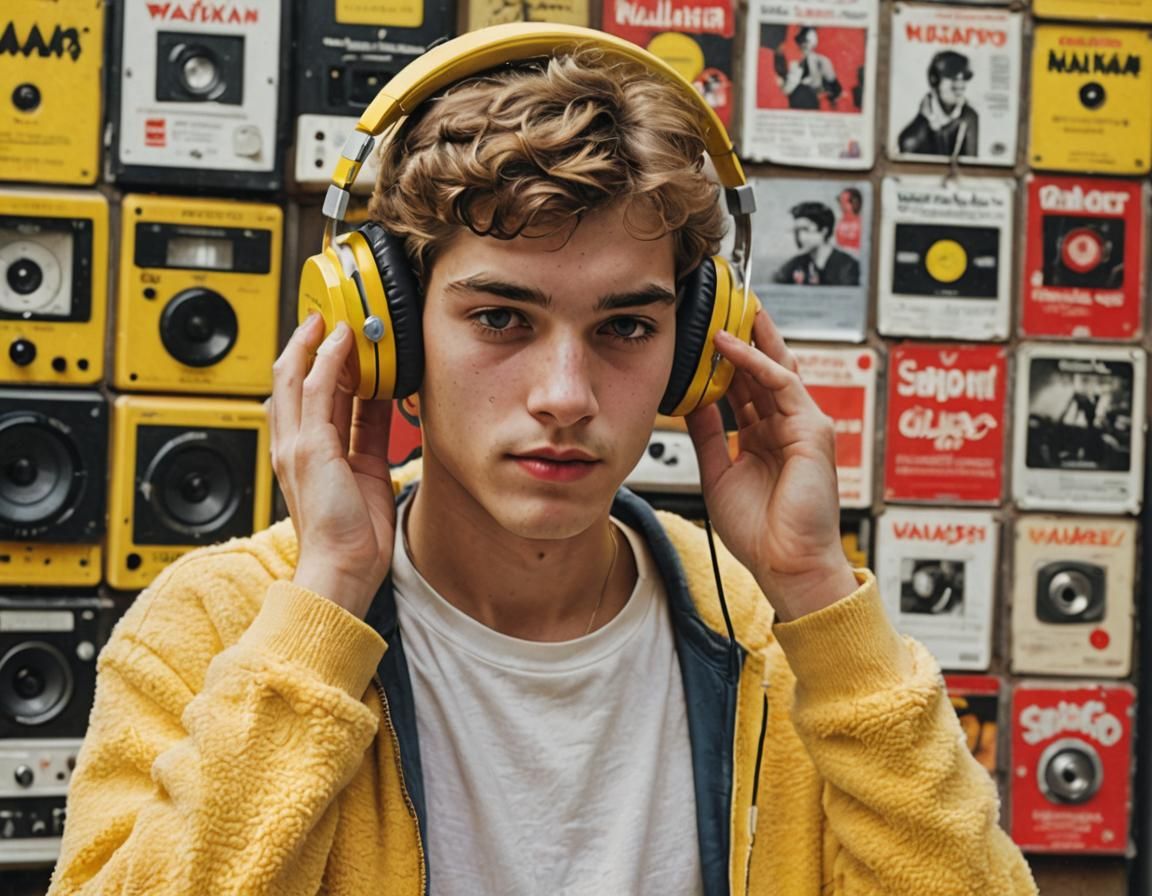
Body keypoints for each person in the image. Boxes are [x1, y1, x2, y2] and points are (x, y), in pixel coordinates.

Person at [48, 26, 1037, 896]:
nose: (565, 391)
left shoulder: (778, 640)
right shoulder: (218, 626)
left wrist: (821, 601)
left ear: (695, 351)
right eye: (501, 317)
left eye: (626, 325)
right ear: (385, 332)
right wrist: (324, 611)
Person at [898, 50, 980, 158]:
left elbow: (970, 165)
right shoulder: (913, 134)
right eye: (953, 78)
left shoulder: (970, 116)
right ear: (934, 80)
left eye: (964, 78)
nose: (960, 86)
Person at [773, 201, 861, 286]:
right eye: (797, 231)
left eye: (805, 230)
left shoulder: (848, 266)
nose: (800, 237)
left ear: (824, 231)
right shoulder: (795, 265)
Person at [780, 26, 842, 110]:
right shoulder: (794, 64)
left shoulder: (822, 61)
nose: (803, 45)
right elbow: (785, 91)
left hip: (815, 103)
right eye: (801, 41)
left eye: (806, 42)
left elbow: (835, 89)